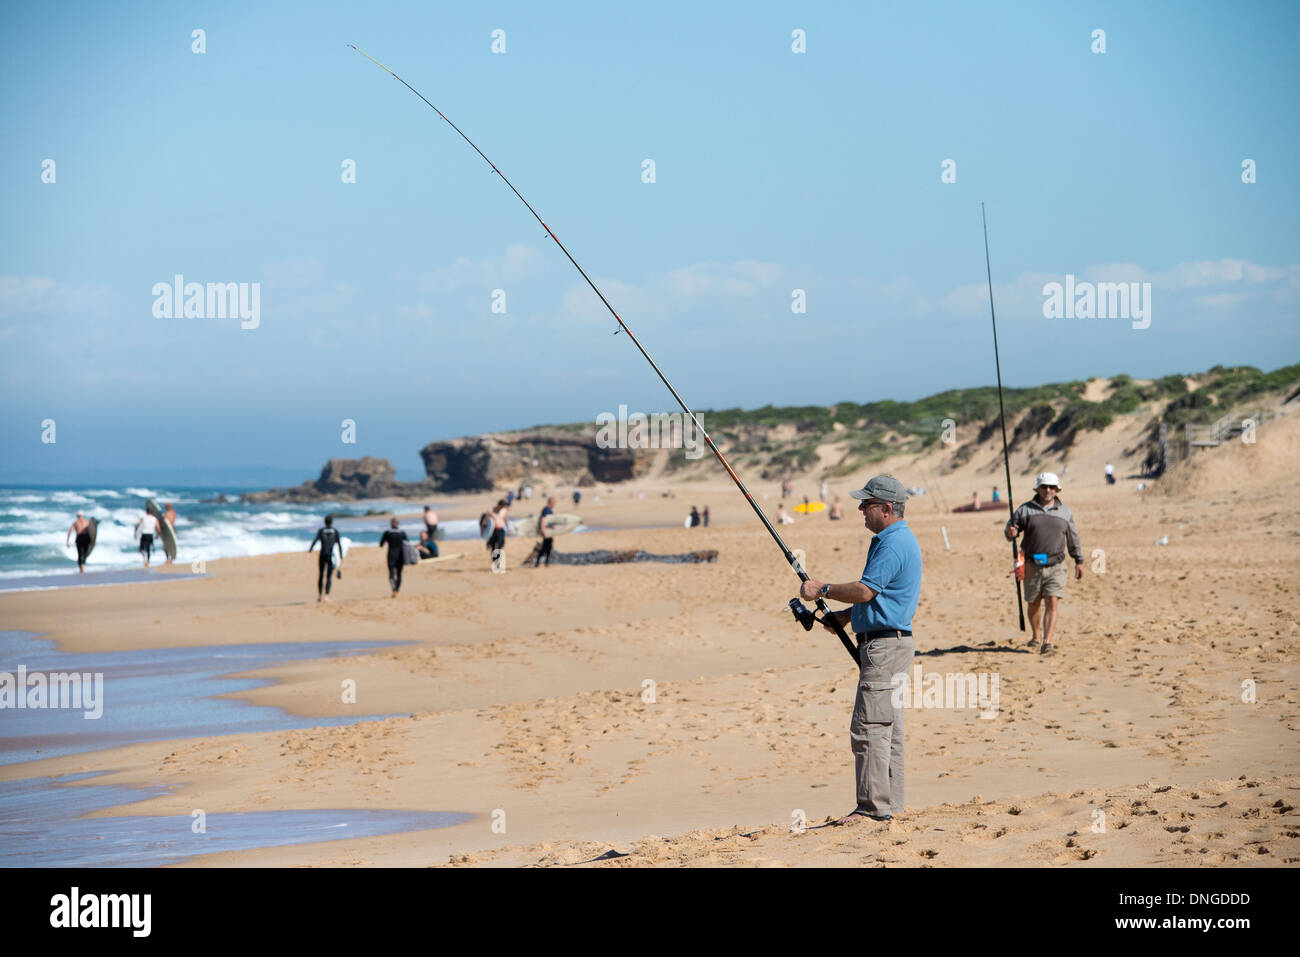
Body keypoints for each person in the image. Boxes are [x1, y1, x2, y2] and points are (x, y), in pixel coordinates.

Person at [799, 475, 921, 826]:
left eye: (866, 505)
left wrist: (821, 589)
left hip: (884, 647)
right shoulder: (893, 539)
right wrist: (844, 616)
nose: (860, 510)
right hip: (889, 642)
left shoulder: (893, 542)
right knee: (888, 726)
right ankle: (889, 804)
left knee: (868, 727)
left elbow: (866, 590)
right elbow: (880, 595)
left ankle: (871, 808)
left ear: (886, 508)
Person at [1005, 472, 1083, 655]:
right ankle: (1036, 635)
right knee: (1033, 603)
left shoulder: (1065, 512)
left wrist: (1079, 560)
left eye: (1052, 487)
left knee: (1052, 600)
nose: (1048, 490)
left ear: (1057, 490)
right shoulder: (1025, 510)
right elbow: (1010, 531)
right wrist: (1011, 532)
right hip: (1031, 565)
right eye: (1044, 487)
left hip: (1056, 565)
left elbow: (1073, 538)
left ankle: (1047, 642)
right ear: (1038, 489)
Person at [309, 516, 342, 602]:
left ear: (325, 522)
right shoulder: (335, 531)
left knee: (321, 575)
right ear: (332, 522)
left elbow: (315, 540)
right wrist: (341, 557)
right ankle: (327, 596)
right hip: (331, 556)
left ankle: (320, 596)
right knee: (329, 576)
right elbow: (339, 545)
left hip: (322, 555)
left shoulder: (321, 531)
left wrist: (309, 551)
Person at [378, 517, 409, 597]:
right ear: (397, 523)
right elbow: (407, 544)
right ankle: (397, 590)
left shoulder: (387, 533)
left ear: (391, 523)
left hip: (391, 555)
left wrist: (387, 541)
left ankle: (394, 589)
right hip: (400, 555)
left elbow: (381, 544)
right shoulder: (402, 533)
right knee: (399, 574)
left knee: (391, 574)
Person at [533, 496, 557, 567]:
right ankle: (539, 562)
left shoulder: (548, 509)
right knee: (544, 547)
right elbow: (543, 519)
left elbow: (549, 520)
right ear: (551, 502)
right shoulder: (546, 509)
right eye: (554, 503)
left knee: (549, 547)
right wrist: (543, 530)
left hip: (549, 531)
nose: (554, 504)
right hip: (546, 532)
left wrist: (552, 526)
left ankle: (546, 562)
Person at [487, 499, 510, 567]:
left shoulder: (504, 510)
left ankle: (498, 560)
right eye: (502, 506)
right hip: (493, 531)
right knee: (493, 547)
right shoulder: (492, 510)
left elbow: (505, 519)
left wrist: (508, 529)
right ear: (499, 505)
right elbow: (486, 520)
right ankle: (495, 561)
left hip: (501, 530)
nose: (503, 507)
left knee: (500, 545)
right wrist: (483, 529)